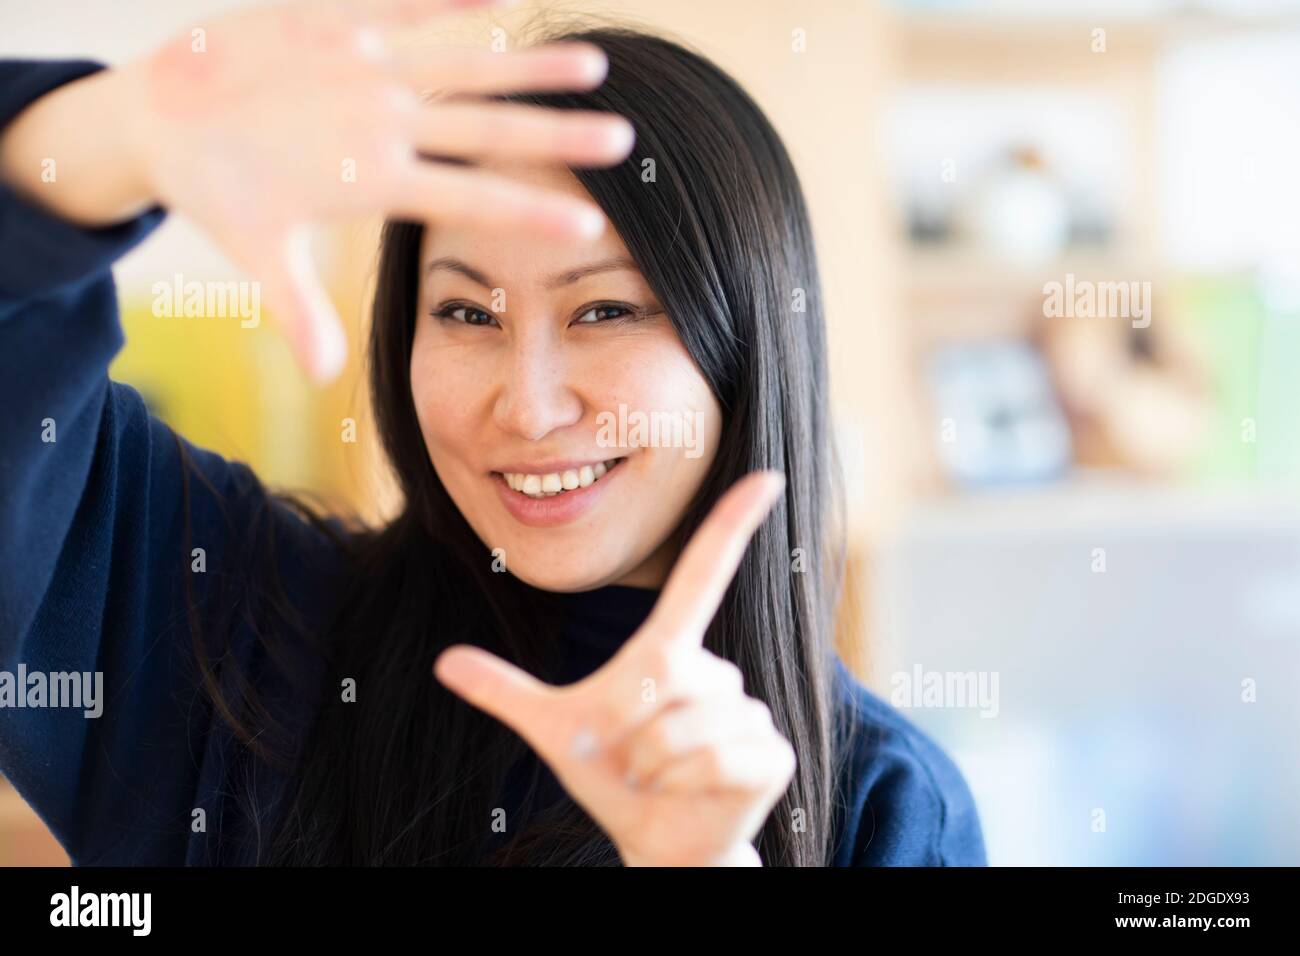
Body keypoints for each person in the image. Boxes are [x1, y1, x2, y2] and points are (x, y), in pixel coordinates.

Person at [0, 0, 986, 866]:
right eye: (468, 314)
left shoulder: (884, 809)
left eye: (604, 311)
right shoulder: (241, 623)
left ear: (746, 345)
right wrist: (121, 133)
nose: (527, 405)